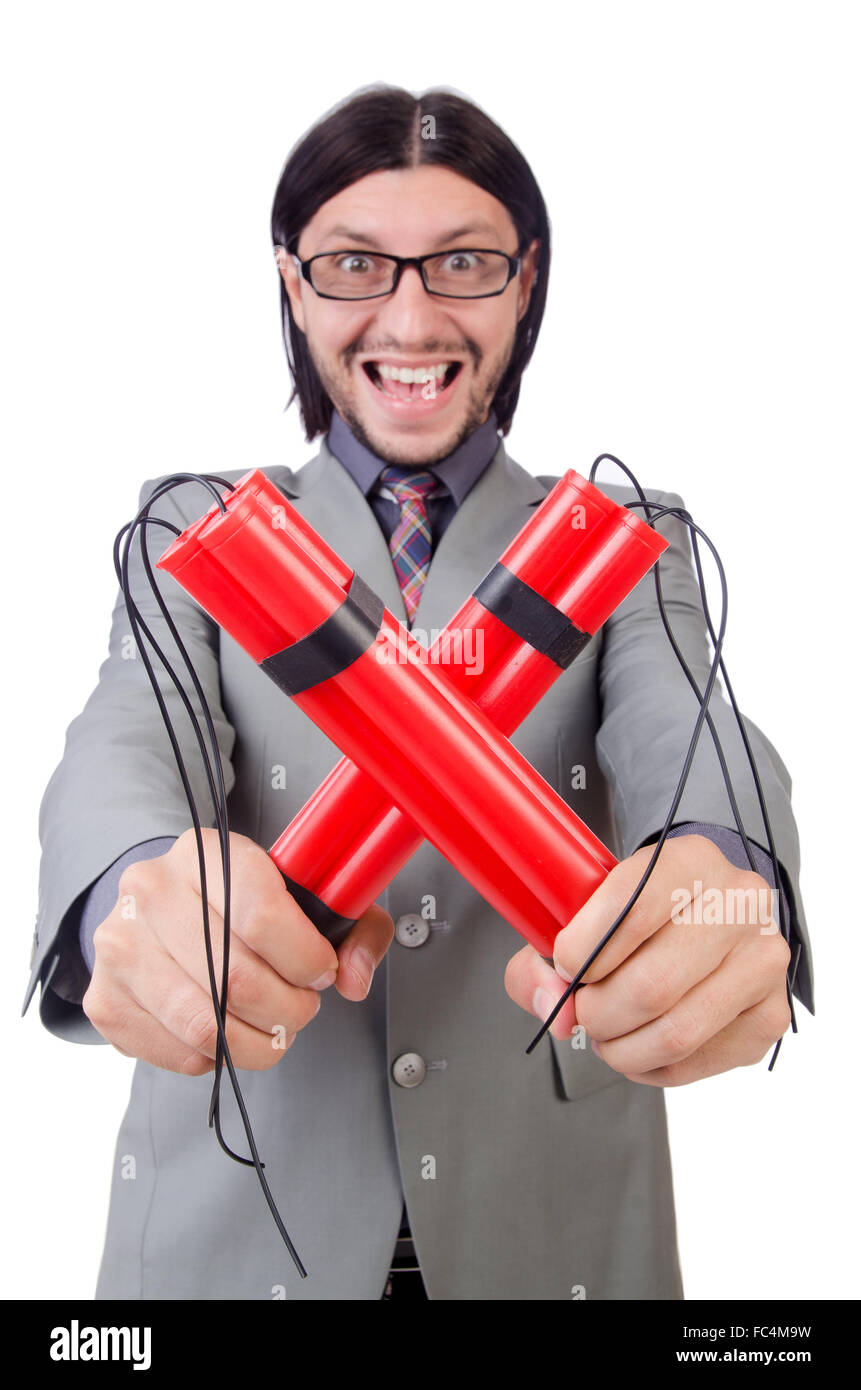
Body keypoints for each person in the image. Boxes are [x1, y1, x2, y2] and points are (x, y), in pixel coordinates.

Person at [24, 83, 812, 1301]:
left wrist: (721, 872)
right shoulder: (202, 533)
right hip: (240, 1237)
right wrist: (127, 886)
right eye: (353, 265)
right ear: (293, 285)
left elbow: (695, 735)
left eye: (462, 262)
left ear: (524, 282)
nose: (409, 313)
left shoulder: (620, 543)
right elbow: (124, 741)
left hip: (551, 1241)